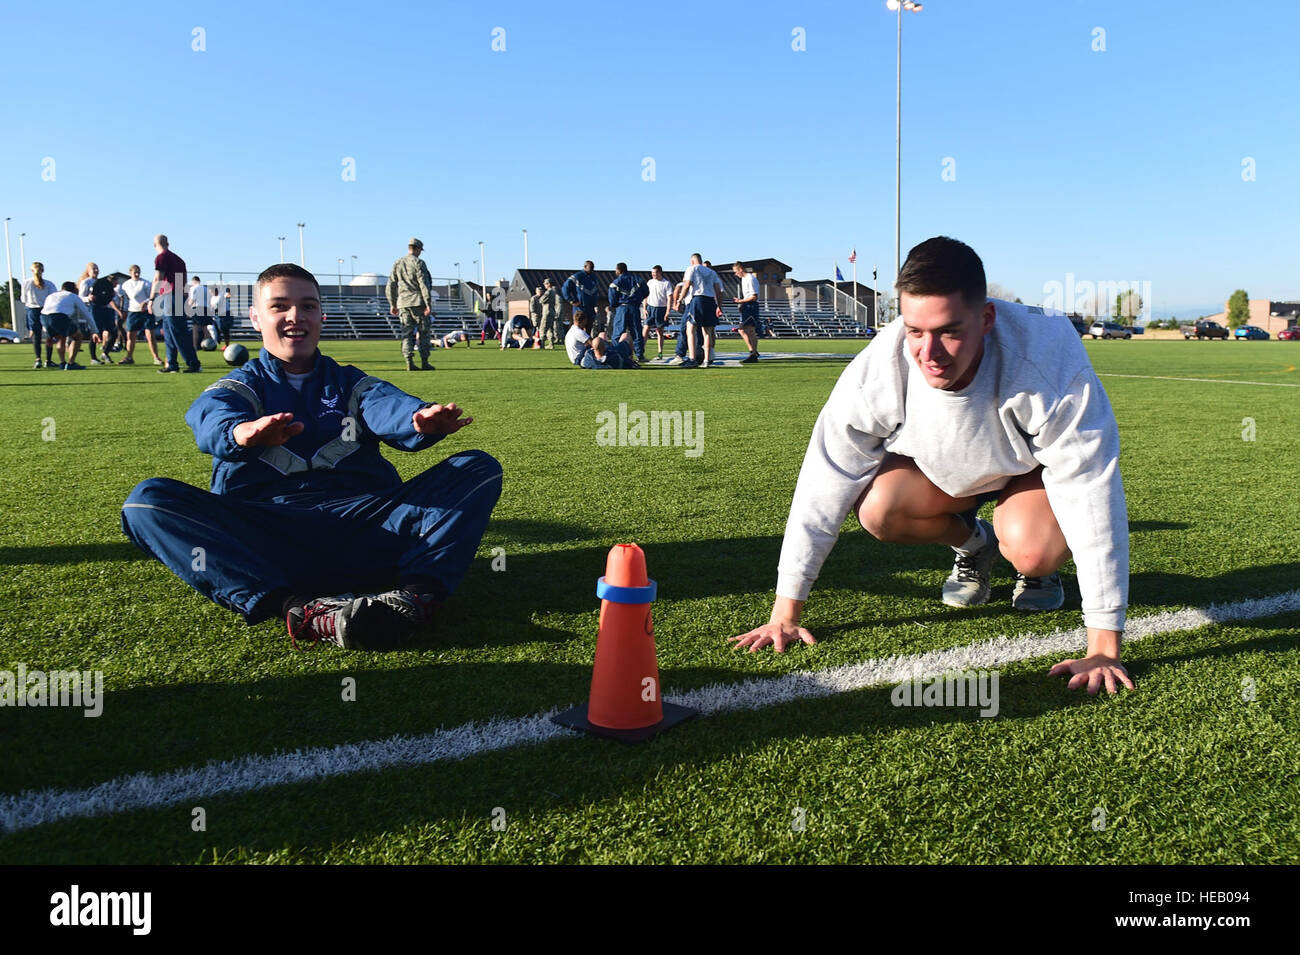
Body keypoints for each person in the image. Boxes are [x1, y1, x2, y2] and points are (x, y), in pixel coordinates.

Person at [730, 237, 1133, 695]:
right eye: (915, 330)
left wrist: (1104, 644)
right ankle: (973, 544)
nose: (929, 352)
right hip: (944, 471)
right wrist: (785, 614)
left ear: (986, 319)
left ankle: (1038, 570)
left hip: (1027, 471)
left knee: (1030, 549)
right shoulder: (878, 369)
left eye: (949, 331)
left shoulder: (1047, 362)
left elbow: (1090, 490)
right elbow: (825, 481)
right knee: (879, 510)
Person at [120, 264, 503, 651]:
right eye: (279, 306)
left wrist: (418, 421)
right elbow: (211, 419)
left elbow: (387, 406)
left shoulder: (350, 382)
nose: (295, 317)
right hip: (272, 539)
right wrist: (242, 433)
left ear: (321, 315)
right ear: (255, 318)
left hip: (366, 528)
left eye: (307, 306)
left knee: (477, 469)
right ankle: (300, 609)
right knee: (145, 503)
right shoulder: (239, 387)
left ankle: (415, 597)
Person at [151, 233, 201, 374]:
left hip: (170, 297)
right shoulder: (178, 260)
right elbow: (182, 281)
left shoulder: (161, 258)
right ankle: (171, 363)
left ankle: (193, 363)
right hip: (178, 296)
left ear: (155, 245)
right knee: (169, 332)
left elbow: (158, 278)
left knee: (177, 332)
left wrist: (151, 299)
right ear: (168, 243)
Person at [386, 237, 435, 372]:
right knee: (423, 333)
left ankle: (409, 361)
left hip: (403, 303)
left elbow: (391, 284)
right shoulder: (419, 263)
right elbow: (423, 284)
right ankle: (425, 362)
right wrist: (428, 303)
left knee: (407, 334)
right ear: (418, 249)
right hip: (418, 302)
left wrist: (392, 303)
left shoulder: (398, 263)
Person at [677, 254, 724, 368]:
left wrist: (679, 300)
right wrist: (719, 306)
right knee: (707, 332)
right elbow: (718, 290)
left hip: (698, 299)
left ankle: (692, 358)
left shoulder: (691, 269)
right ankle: (707, 360)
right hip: (710, 300)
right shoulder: (712, 272)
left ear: (692, 261)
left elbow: (687, 284)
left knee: (690, 329)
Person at [40, 281, 94, 370]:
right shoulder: (72, 296)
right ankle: (71, 362)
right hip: (59, 316)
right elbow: (86, 313)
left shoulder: (52, 295)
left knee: (61, 337)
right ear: (73, 289)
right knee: (78, 336)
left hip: (44, 317)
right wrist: (95, 330)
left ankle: (62, 363)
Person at [564, 309, 635, 369]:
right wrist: (609, 345)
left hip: (578, 357)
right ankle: (630, 358)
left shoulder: (572, 331)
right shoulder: (579, 332)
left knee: (602, 335)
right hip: (581, 357)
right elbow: (594, 344)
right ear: (584, 321)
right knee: (626, 336)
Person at [119, 265, 160, 365]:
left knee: (150, 335)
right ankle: (129, 357)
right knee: (130, 336)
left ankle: (156, 357)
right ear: (130, 273)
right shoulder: (125, 285)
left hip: (146, 312)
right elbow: (123, 298)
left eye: (138, 272)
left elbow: (154, 295)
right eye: (135, 272)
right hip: (133, 312)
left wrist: (146, 302)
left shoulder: (145, 283)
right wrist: (122, 310)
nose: (137, 274)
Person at [608, 263, 648, 362]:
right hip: (634, 308)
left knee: (618, 333)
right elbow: (646, 292)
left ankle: (617, 354)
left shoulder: (616, 282)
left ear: (618, 270)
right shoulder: (638, 280)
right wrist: (637, 299)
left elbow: (612, 299)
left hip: (622, 308)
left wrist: (615, 304)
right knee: (637, 332)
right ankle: (640, 355)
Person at [21, 262, 56, 368]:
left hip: (32, 309)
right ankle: (48, 360)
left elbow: (23, 299)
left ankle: (38, 359)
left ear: (32, 271)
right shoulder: (49, 284)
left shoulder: (26, 283)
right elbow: (53, 298)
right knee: (49, 335)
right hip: (45, 310)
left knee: (36, 336)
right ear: (43, 270)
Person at [88, 272, 124, 363]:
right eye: (115, 282)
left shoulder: (111, 289)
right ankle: (93, 358)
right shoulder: (99, 283)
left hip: (107, 310)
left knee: (113, 332)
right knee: (96, 333)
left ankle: (105, 353)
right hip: (96, 309)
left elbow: (109, 299)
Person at [561, 261, 605, 334]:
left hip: (590, 307)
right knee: (579, 327)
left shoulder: (594, 278)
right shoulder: (577, 277)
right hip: (580, 307)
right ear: (585, 267)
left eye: (593, 268)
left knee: (589, 327)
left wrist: (595, 302)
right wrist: (571, 300)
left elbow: (595, 292)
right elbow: (565, 288)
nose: (592, 270)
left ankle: (587, 344)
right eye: (590, 268)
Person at [731, 262, 761, 363]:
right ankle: (753, 351)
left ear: (740, 269)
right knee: (742, 330)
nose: (735, 274)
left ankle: (753, 354)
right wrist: (742, 304)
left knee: (750, 330)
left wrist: (741, 301)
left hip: (751, 306)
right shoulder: (744, 279)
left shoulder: (750, 278)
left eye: (736, 271)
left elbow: (754, 296)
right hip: (746, 306)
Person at [643, 265, 673, 360]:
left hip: (661, 309)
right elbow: (645, 295)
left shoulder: (666, 283)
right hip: (650, 308)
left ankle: (660, 352)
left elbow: (669, 298)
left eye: (655, 273)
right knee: (646, 329)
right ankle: (641, 351)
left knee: (659, 331)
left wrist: (667, 311)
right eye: (652, 273)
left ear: (660, 272)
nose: (653, 275)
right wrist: (644, 307)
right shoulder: (650, 282)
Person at [537, 278, 562, 349]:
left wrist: (540, 298)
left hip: (547, 311)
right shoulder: (554, 292)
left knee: (543, 327)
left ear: (548, 284)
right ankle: (551, 343)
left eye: (545, 284)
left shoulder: (548, 292)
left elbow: (541, 300)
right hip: (552, 311)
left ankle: (542, 344)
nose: (544, 285)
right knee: (550, 328)